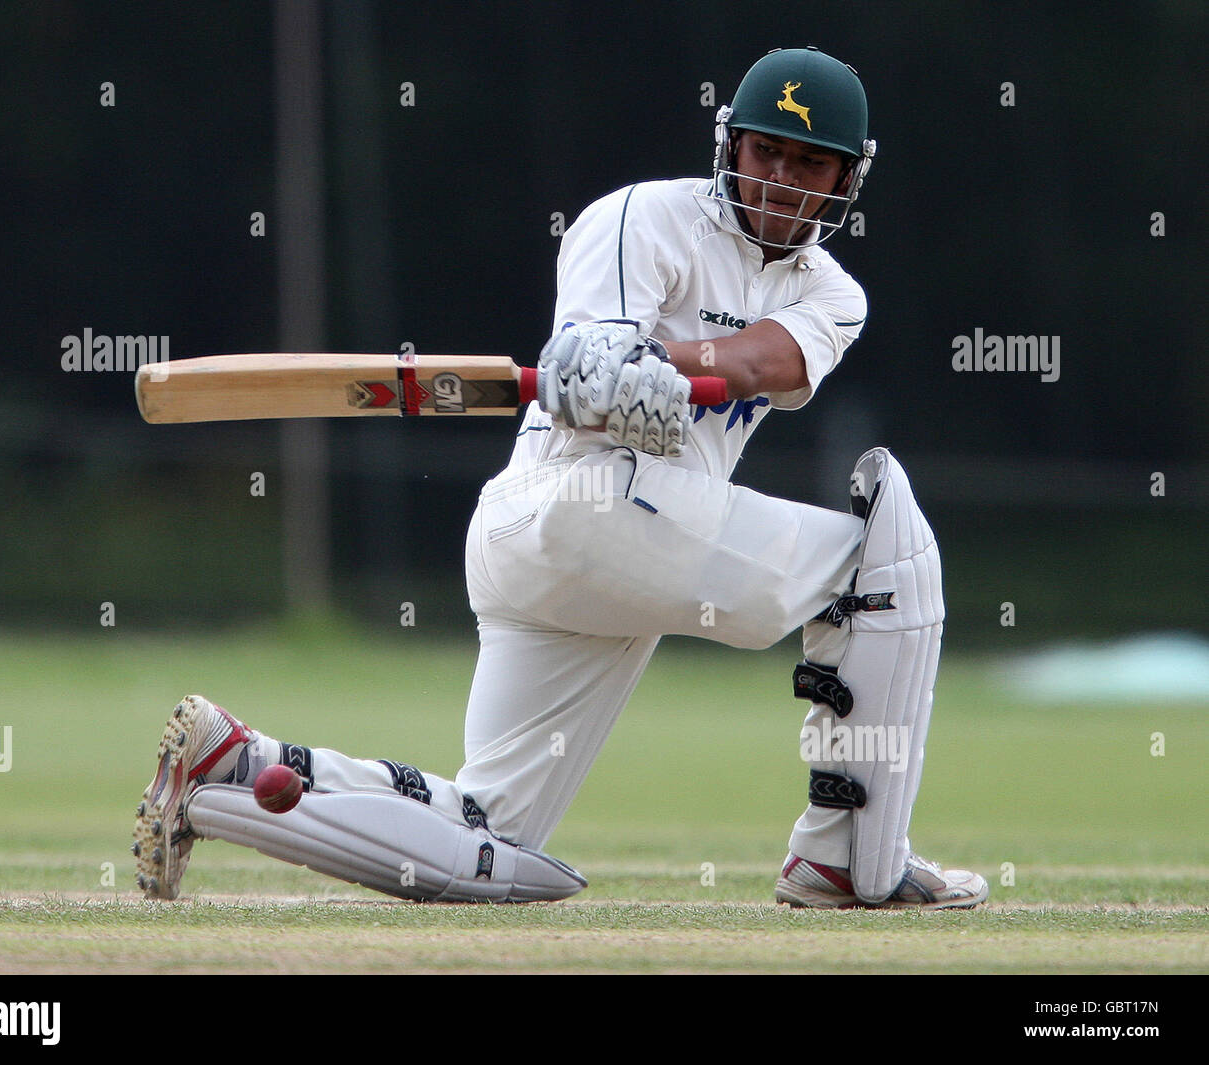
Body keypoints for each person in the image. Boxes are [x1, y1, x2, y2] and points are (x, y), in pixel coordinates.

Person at [134, 47, 987, 909]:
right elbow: (591, 356)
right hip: (578, 503)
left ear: (847, 177)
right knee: (890, 558)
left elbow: (764, 360)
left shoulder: (833, 293)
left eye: (808, 163)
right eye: (766, 151)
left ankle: (230, 769)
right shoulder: (640, 218)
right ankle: (848, 859)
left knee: (486, 832)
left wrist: (665, 358)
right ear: (730, 145)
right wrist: (611, 367)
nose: (779, 179)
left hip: (625, 546)